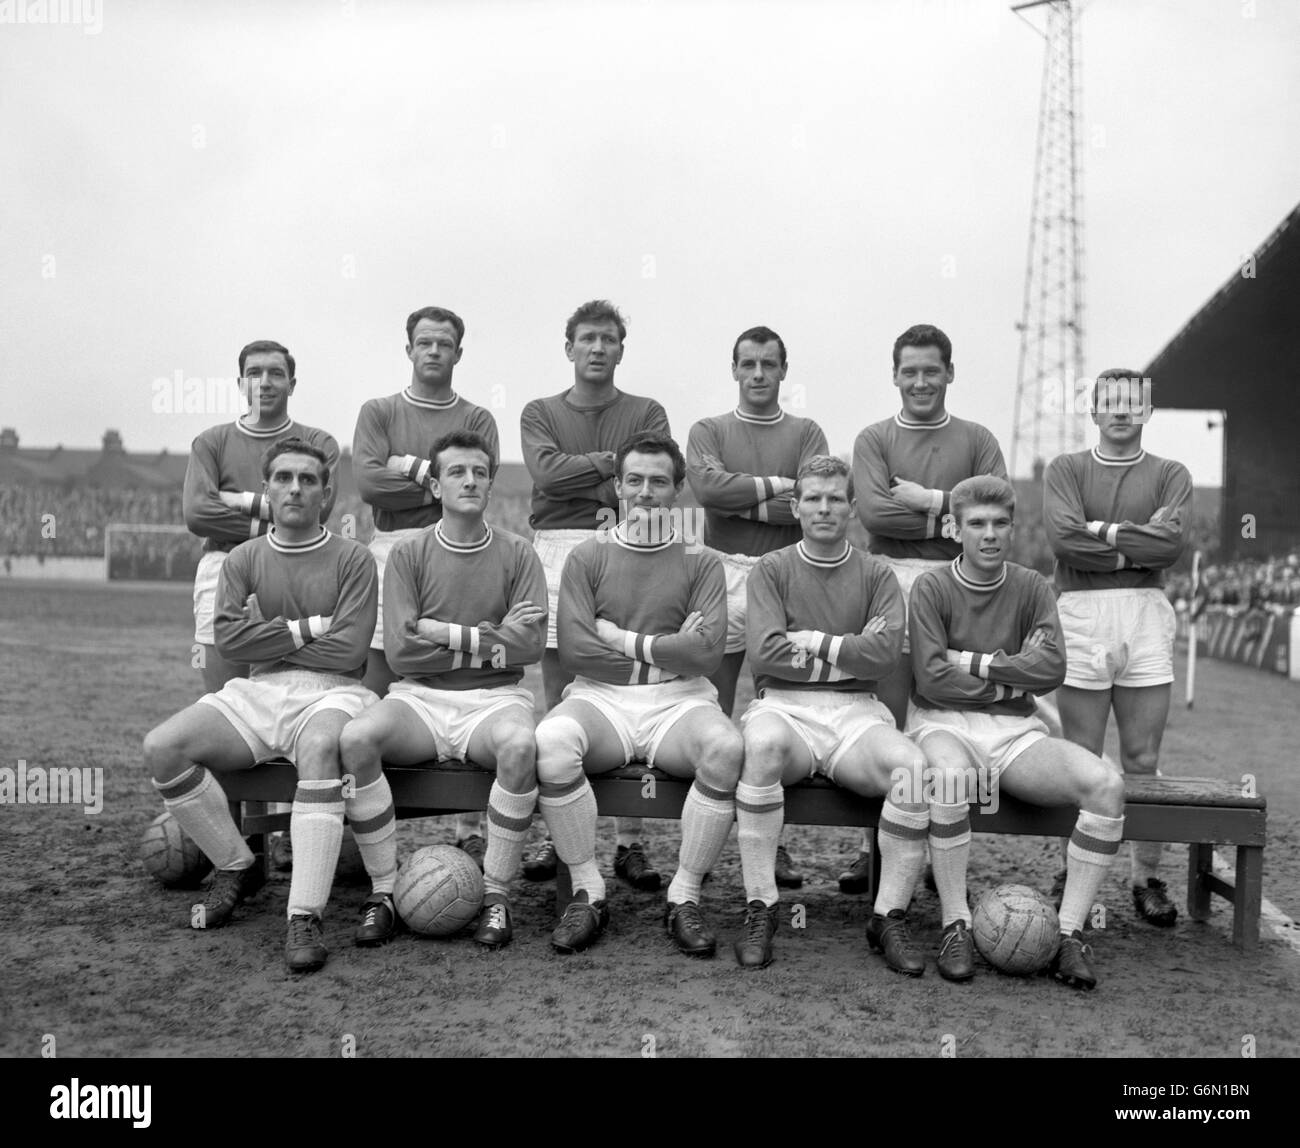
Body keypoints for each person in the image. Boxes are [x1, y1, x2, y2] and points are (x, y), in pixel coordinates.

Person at [145, 438, 385, 974]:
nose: (295, 488)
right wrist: (312, 627)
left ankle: (304, 916)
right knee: (163, 748)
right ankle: (235, 863)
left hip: (333, 689)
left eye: (307, 479)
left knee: (323, 746)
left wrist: (267, 631)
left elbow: (350, 651)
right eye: (283, 478)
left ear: (326, 493)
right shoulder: (242, 559)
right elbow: (231, 643)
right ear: (267, 489)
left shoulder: (354, 558)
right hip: (261, 688)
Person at [904, 475, 1125, 988]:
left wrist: (975, 663)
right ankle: (954, 923)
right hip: (943, 724)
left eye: (1000, 523)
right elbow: (932, 677)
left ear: (1013, 528)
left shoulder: (1031, 586)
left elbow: (1050, 669)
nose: (989, 534)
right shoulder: (932, 586)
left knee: (1107, 786)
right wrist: (1006, 679)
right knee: (952, 777)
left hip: (1015, 733)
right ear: (954, 529)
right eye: (976, 524)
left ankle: (1069, 935)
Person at [535, 432, 741, 956]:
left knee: (725, 749)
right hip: (602, 699)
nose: (645, 492)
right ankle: (588, 889)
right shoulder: (587, 556)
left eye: (658, 481)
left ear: (677, 490)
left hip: (681, 701)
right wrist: (669, 649)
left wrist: (624, 641)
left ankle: (684, 894)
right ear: (618, 487)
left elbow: (706, 657)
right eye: (634, 480)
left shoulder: (701, 561)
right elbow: (578, 653)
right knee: (553, 742)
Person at [338, 430, 547, 950]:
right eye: (456, 471)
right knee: (357, 740)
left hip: (495, 699)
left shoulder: (519, 554)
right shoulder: (408, 555)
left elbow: (530, 648)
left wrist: (445, 633)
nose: (470, 480)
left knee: (521, 748)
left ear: (491, 483)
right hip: (421, 699)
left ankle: (496, 895)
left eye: (479, 472)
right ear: (435, 484)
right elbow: (405, 655)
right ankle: (384, 891)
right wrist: (493, 637)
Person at [733, 456, 924, 969]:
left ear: (852, 508)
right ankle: (761, 905)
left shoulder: (878, 574)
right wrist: (849, 653)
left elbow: (884, 659)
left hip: (858, 713)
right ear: (795, 507)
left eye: (835, 498)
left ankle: (888, 917)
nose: (824, 507)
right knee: (762, 747)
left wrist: (814, 643)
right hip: (785, 710)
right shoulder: (771, 570)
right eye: (813, 498)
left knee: (912, 769)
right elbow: (766, 655)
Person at [841, 324, 1006, 894]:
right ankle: (878, 852)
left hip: (959, 586)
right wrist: (957, 514)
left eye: (931, 371)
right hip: (889, 581)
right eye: (909, 371)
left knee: (946, 718)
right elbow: (877, 516)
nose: (920, 382)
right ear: (894, 376)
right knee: (886, 720)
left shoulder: (979, 439)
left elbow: (996, 507)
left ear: (950, 374)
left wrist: (930, 499)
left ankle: (943, 849)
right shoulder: (874, 438)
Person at [519, 300, 670, 890]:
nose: (598, 348)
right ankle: (561, 839)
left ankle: (630, 843)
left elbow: (649, 470)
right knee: (559, 691)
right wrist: (612, 461)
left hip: (628, 540)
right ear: (569, 347)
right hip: (556, 546)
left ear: (621, 350)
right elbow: (546, 474)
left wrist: (591, 469)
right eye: (587, 338)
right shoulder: (540, 410)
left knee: (628, 681)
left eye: (609, 339)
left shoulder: (646, 409)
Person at [351, 306, 499, 866]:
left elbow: (474, 484)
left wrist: (406, 469)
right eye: (424, 343)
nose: (434, 351)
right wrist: (437, 478)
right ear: (408, 349)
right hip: (394, 549)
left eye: (445, 344)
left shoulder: (478, 417)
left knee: (466, 680)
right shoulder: (380, 410)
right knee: (377, 679)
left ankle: (469, 827)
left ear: (459, 353)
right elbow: (368, 482)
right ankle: (360, 824)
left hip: (461, 551)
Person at [1043, 370, 1191, 926]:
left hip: (1145, 613)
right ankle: (1070, 868)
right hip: (1080, 612)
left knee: (1143, 758)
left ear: (1148, 413)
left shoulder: (1171, 473)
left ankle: (1145, 875)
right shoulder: (1067, 468)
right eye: (1112, 402)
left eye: (1134, 403)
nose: (1123, 411)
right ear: (1095, 411)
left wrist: (1097, 532)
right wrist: (1135, 540)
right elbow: (1063, 540)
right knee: (1081, 757)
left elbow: (1171, 545)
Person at [686, 325, 828, 891]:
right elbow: (709, 493)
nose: (759, 374)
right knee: (711, 703)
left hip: (782, 576)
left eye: (769, 364)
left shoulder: (806, 430)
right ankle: (706, 836)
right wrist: (774, 489)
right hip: (720, 570)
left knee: (779, 709)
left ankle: (776, 842)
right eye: (749, 364)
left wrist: (750, 499)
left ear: (783, 370)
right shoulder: (710, 429)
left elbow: (810, 504)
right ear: (735, 369)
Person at [183, 340, 339, 694]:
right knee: (226, 698)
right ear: (240, 384)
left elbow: (317, 511)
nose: (265, 382)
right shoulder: (210, 442)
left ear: (292, 384)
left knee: (295, 688)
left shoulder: (319, 442)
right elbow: (197, 513)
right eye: (254, 373)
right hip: (224, 564)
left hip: (298, 565)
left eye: (276, 374)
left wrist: (239, 500)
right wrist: (275, 516)